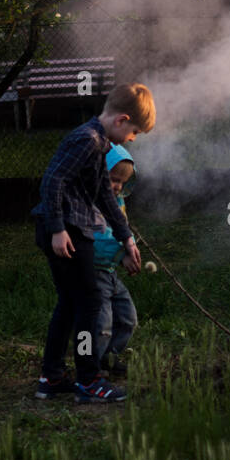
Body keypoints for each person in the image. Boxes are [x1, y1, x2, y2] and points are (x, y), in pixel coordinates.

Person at [31, 82, 155, 403]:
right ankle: (89, 380)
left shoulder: (98, 143)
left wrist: (127, 238)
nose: (131, 139)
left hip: (72, 230)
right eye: (134, 132)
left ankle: (51, 377)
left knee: (70, 305)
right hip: (67, 232)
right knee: (88, 306)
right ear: (121, 120)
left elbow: (103, 194)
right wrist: (58, 229)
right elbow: (52, 181)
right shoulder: (86, 141)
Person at [92, 145, 139, 378]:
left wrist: (130, 250)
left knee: (127, 317)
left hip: (111, 271)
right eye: (113, 179)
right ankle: (93, 364)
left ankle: (110, 357)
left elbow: (121, 232)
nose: (117, 186)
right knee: (102, 322)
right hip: (95, 271)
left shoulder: (118, 202)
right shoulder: (92, 204)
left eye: (122, 182)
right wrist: (121, 255)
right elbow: (98, 240)